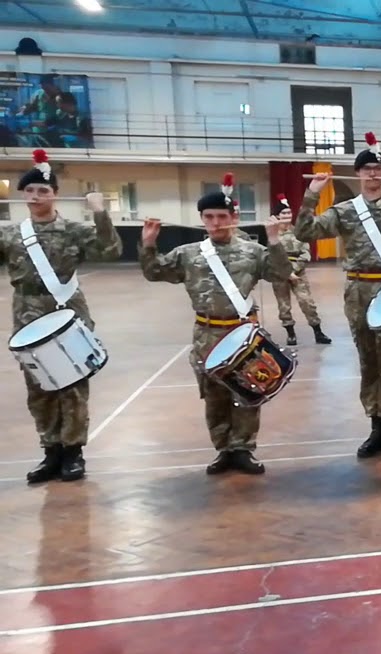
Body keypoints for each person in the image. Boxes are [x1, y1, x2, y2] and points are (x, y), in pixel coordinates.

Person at [292, 131, 381, 459]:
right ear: (358, 173)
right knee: (368, 360)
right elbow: (304, 232)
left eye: (377, 168)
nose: (373, 173)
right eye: (366, 168)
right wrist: (312, 195)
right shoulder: (344, 211)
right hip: (358, 291)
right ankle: (375, 429)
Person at [139, 176, 294, 475]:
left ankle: (244, 448)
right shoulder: (188, 254)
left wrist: (274, 241)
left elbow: (280, 273)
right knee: (214, 396)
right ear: (202, 219)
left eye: (222, 217)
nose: (216, 222)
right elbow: (155, 272)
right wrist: (148, 244)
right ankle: (223, 449)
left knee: (249, 391)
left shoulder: (252, 251)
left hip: (241, 332)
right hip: (206, 333)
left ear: (233, 218)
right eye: (209, 217)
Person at [1, 149, 121, 483]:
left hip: (67, 312)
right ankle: (50, 452)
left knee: (72, 385)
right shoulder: (10, 234)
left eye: (43, 190)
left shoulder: (72, 230)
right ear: (22, 194)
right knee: (39, 387)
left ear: (54, 194)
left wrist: (100, 214)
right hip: (26, 315)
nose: (36, 196)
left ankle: (73, 453)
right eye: (30, 191)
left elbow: (110, 251)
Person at [268, 194, 331, 346]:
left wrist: (294, 271)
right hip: (279, 274)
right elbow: (270, 255)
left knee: (307, 302)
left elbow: (305, 252)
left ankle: (318, 331)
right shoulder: (271, 234)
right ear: (277, 216)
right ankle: (290, 334)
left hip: (298, 273)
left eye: (289, 213)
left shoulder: (298, 232)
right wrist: (286, 273)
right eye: (283, 213)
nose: (287, 216)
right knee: (284, 305)